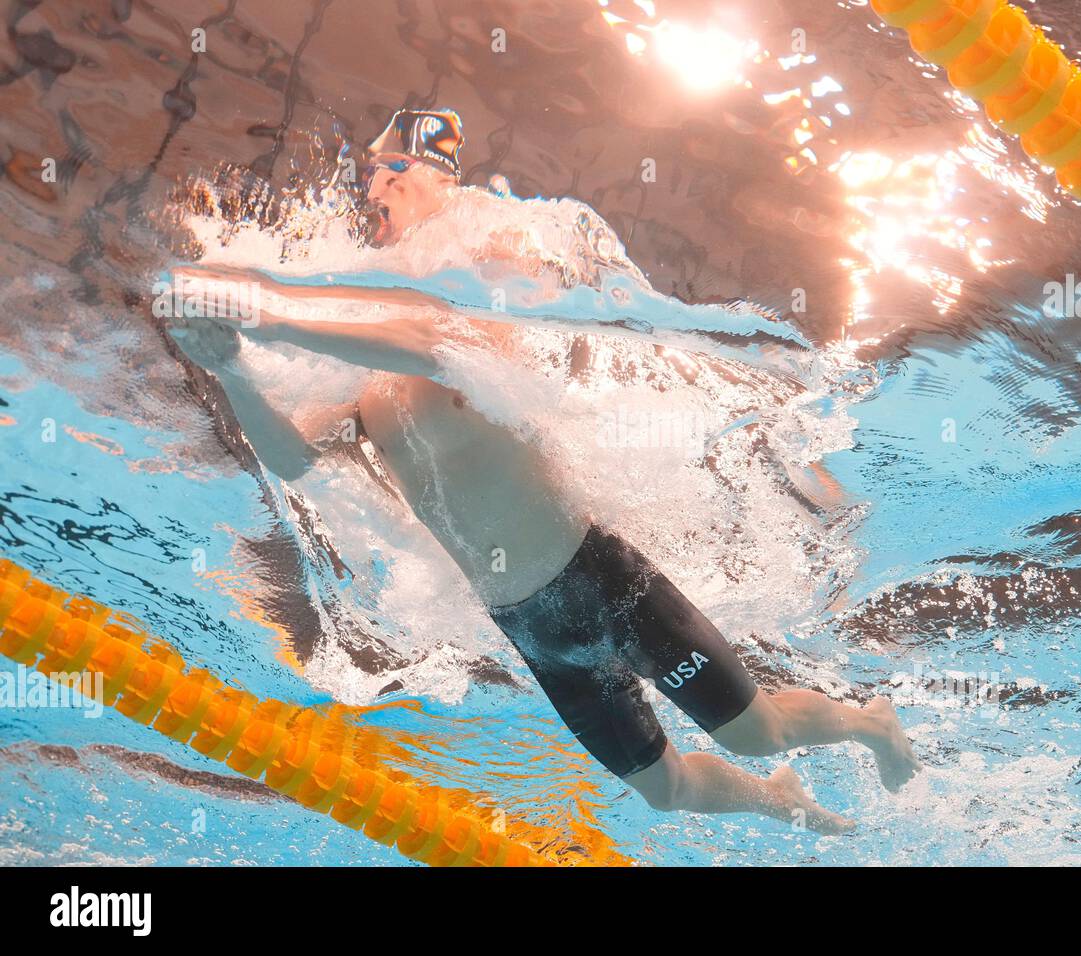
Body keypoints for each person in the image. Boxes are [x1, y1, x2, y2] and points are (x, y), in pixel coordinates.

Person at [169, 109, 920, 834]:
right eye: (368, 174)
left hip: (603, 583)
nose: (373, 188)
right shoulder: (363, 388)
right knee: (664, 790)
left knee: (755, 732)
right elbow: (294, 458)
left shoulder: (477, 295)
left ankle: (869, 724)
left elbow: (435, 343)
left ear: (439, 179)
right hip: (530, 627)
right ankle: (776, 802)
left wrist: (270, 314)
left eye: (391, 168)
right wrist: (232, 368)